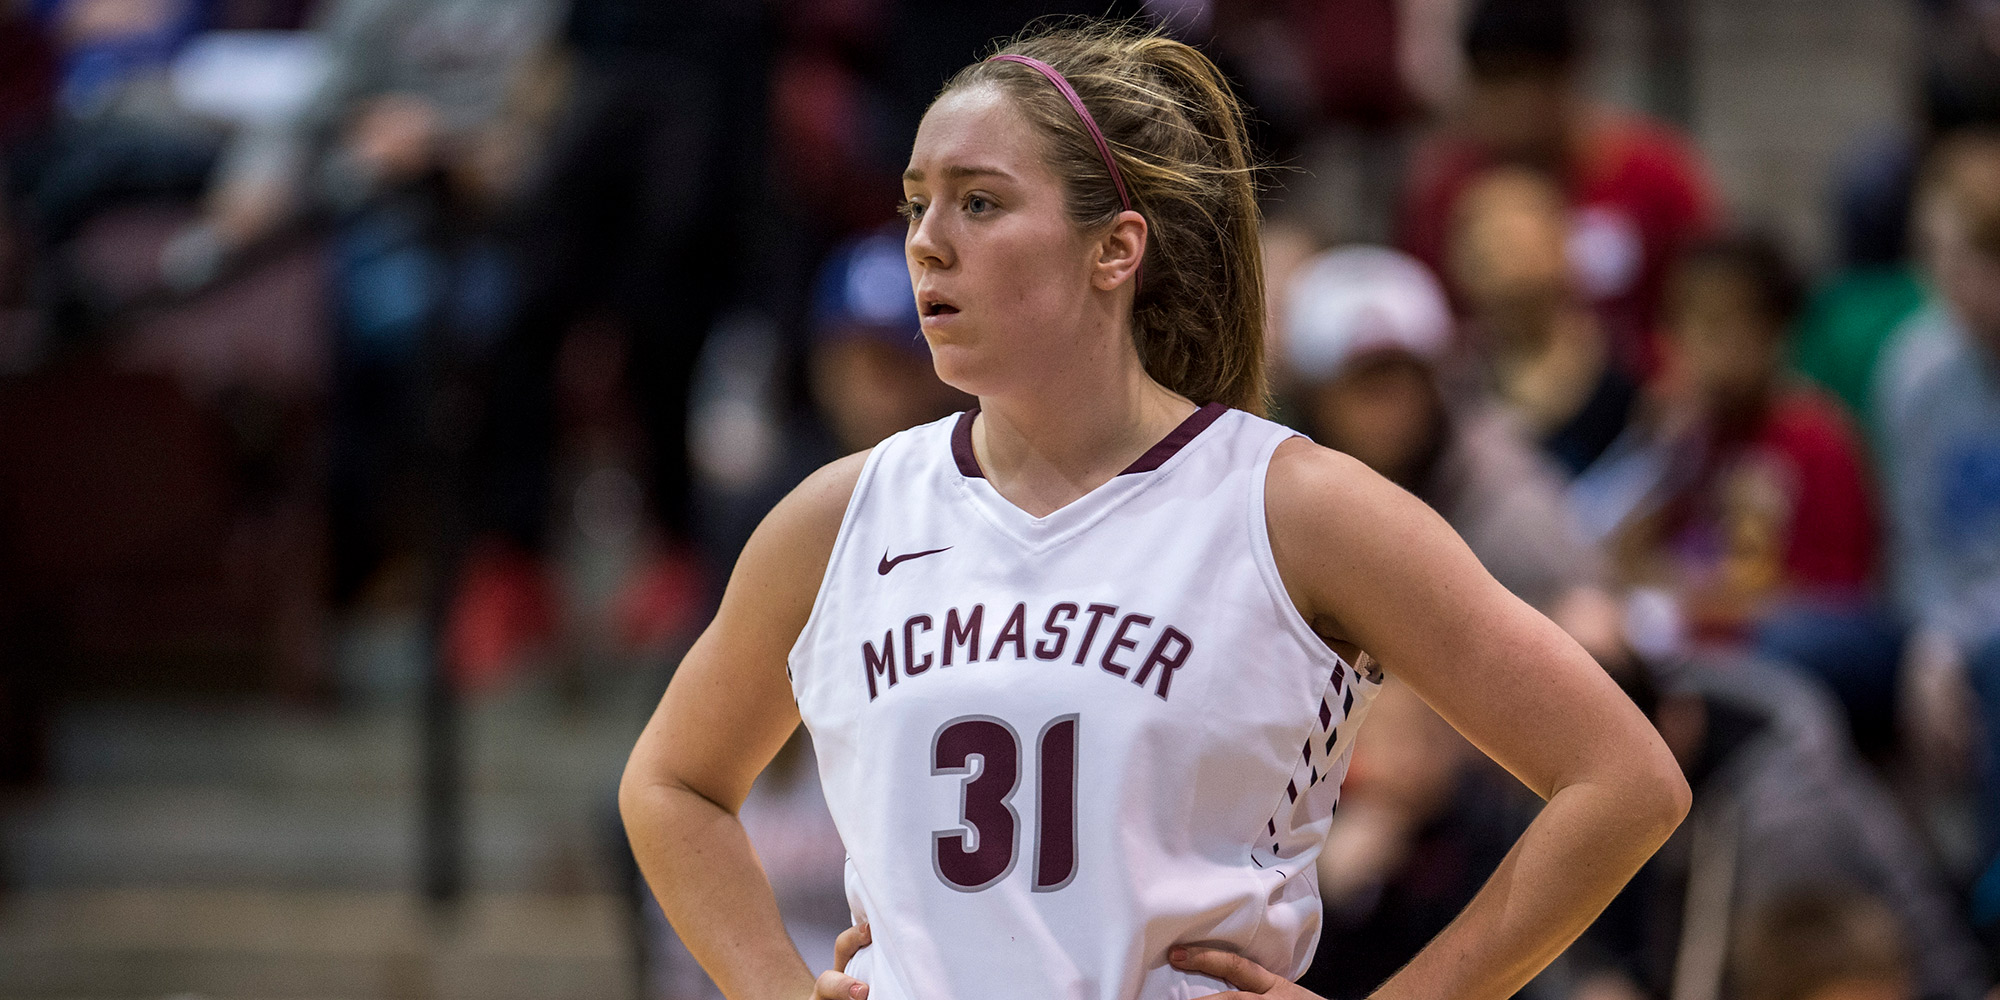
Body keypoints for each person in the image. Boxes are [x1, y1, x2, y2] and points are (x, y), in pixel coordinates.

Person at [620, 21, 1687, 1000]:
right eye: (914, 203)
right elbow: (670, 785)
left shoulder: (1292, 506)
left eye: (978, 201)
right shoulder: (839, 516)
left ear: (1113, 250)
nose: (926, 242)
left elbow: (1622, 780)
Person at [1399, 0, 1716, 380]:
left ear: (1572, 74)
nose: (1519, 107)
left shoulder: (1654, 177)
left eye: (1535, 80)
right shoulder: (1446, 190)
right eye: (1499, 82)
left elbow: (1708, 299)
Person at [1882, 131, 2000, 928]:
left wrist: (1953, 640)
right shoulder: (1917, 365)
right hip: (1938, 616)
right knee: (1793, 656)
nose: (1955, 284)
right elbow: (1915, 538)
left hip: (1985, 631)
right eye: (1941, 259)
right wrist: (1930, 639)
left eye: (1974, 262)